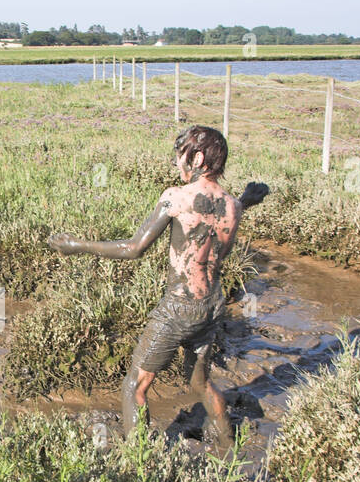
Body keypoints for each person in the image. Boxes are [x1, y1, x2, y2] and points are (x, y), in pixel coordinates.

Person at [48, 125, 243, 449]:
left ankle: (139, 463)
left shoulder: (176, 198)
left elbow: (134, 248)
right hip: (212, 305)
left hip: (179, 306)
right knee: (201, 383)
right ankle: (228, 448)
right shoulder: (234, 205)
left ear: (196, 158)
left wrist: (77, 245)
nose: (175, 163)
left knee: (134, 386)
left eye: (179, 156)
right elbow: (219, 250)